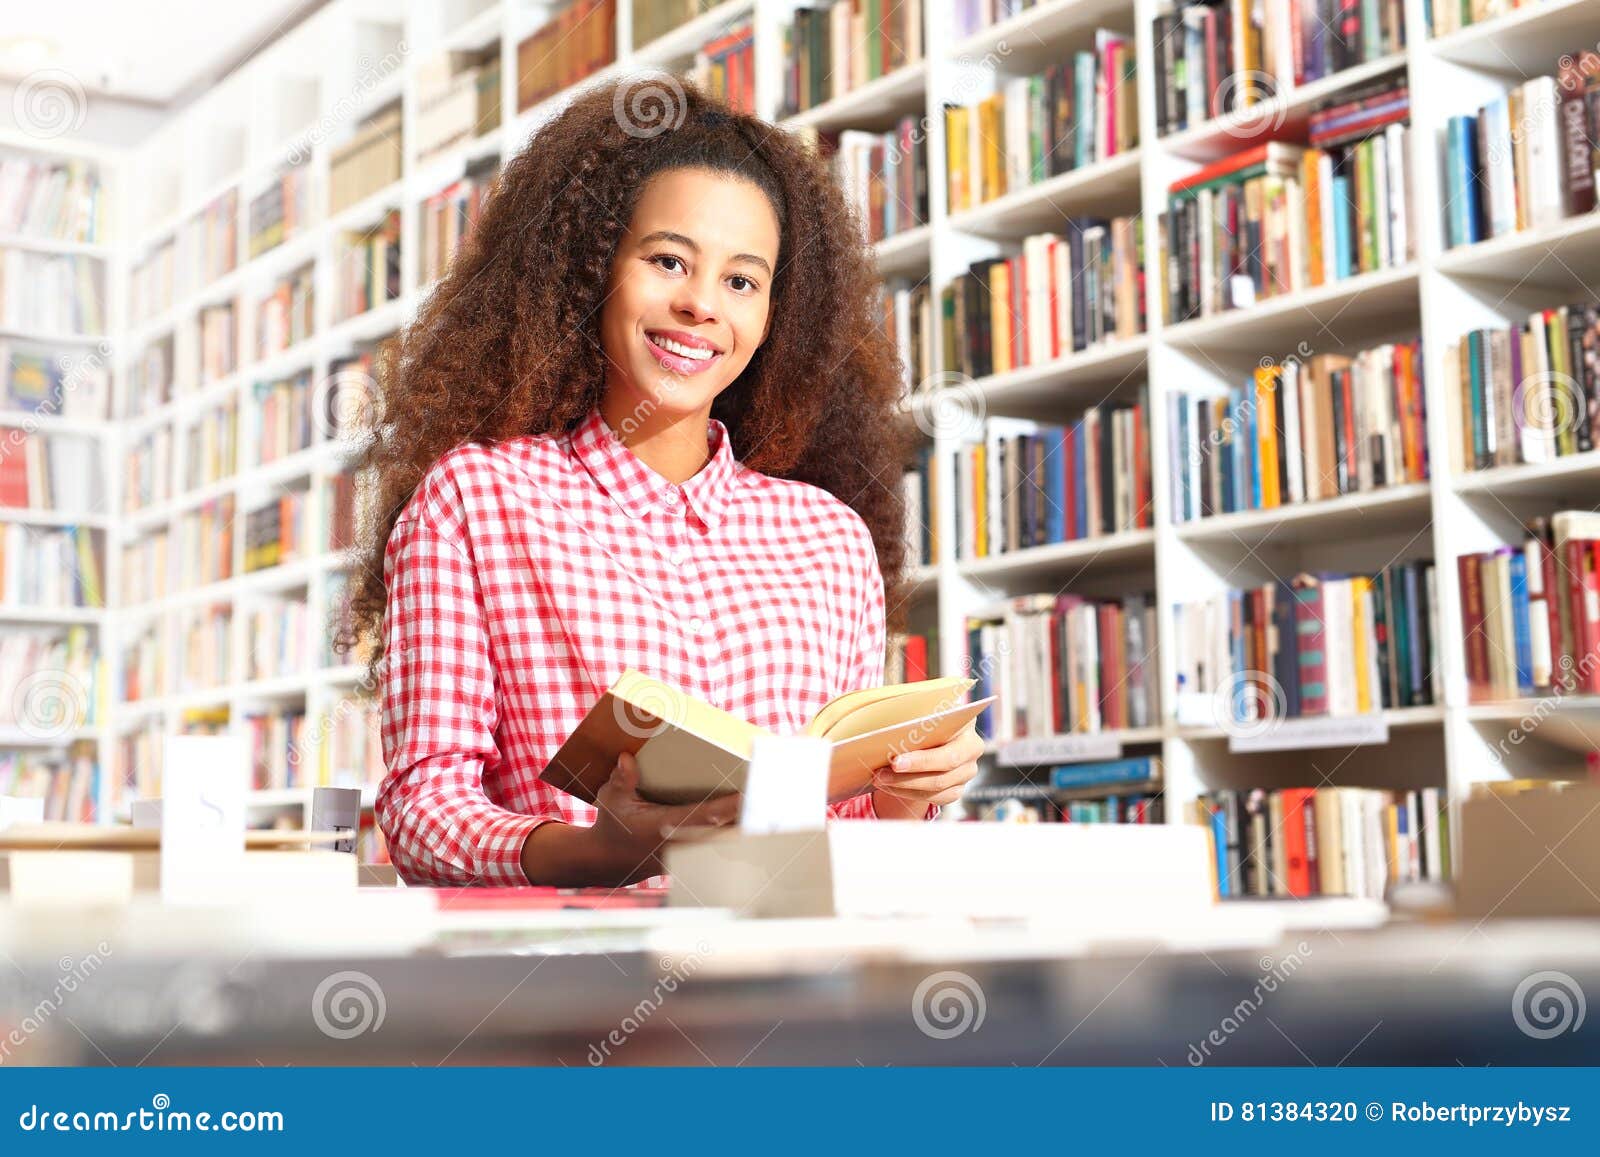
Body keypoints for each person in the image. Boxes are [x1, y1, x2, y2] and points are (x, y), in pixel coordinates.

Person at [335, 77, 982, 888]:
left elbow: (838, 830)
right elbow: (423, 813)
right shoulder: (473, 501)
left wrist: (901, 793)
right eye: (669, 260)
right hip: (567, 981)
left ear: (777, 312)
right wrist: (601, 851)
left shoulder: (828, 538)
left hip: (785, 979)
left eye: (742, 281)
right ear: (592, 271)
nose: (700, 304)